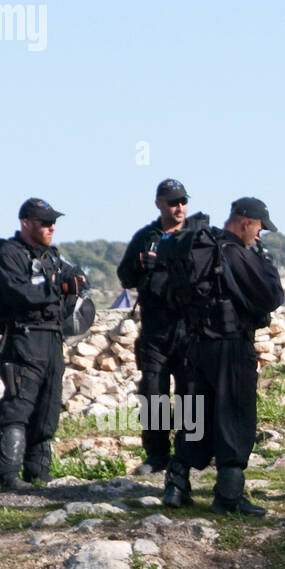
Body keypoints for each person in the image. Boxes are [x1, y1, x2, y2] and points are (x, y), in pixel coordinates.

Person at [162, 198, 284, 516]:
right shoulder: (232, 252)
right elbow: (271, 296)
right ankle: (228, 497)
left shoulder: (197, 249)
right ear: (245, 222)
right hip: (230, 347)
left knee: (195, 418)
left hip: (193, 345)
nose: (259, 236)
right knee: (236, 417)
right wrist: (265, 263)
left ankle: (176, 487)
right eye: (259, 229)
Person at [0, 198, 85, 493]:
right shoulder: (8, 254)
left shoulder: (52, 255)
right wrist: (57, 287)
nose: (51, 227)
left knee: (47, 409)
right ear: (26, 222)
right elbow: (20, 292)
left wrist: (76, 279)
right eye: (45, 222)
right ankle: (9, 478)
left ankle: (39, 476)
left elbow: (75, 276)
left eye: (54, 222)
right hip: (24, 339)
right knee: (18, 407)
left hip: (53, 339)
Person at [116, 178, 200, 475]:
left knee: (192, 393)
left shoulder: (197, 234)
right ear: (159, 204)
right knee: (153, 392)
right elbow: (125, 277)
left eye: (183, 201)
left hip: (189, 327)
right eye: (173, 202)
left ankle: (191, 453)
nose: (179, 207)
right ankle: (157, 456)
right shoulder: (146, 236)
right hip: (155, 329)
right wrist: (141, 264)